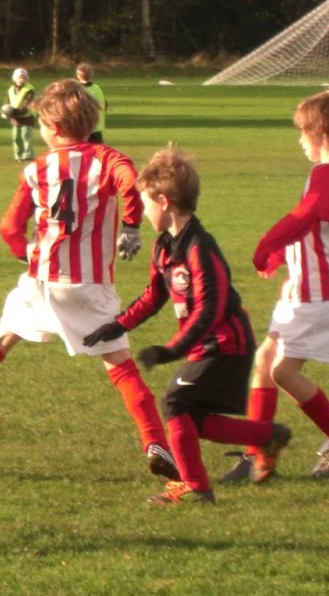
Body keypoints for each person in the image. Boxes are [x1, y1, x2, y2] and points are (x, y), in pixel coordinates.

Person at [0, 78, 178, 486]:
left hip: (40, 280)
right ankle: (154, 442)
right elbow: (127, 176)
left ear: (53, 129)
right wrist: (131, 226)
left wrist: (28, 252)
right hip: (88, 285)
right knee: (121, 368)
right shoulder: (105, 159)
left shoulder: (37, 169)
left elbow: (10, 228)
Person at [83, 146, 293, 506]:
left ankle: (195, 486)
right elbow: (153, 296)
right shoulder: (164, 247)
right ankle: (268, 435)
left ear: (164, 201)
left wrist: (171, 350)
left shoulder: (200, 248)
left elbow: (210, 309)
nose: (143, 210)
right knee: (192, 419)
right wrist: (116, 326)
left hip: (227, 343)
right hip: (206, 343)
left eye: (146, 202)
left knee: (175, 403)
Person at [219, 88, 329, 484]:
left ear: (320, 132)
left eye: (303, 131)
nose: (299, 139)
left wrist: (270, 242)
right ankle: (257, 451)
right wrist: (283, 255)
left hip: (324, 293)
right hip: (304, 287)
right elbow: (319, 227)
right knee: (265, 361)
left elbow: (311, 213)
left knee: (283, 372)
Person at [0, 67, 38, 161]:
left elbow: (26, 104)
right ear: (15, 78)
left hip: (27, 117)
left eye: (24, 77)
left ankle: (28, 155)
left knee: (26, 136)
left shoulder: (29, 89)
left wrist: (13, 112)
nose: (22, 79)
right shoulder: (11, 90)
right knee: (16, 137)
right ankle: (18, 155)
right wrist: (4, 112)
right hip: (15, 118)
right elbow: (7, 102)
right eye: (20, 77)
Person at [75, 62, 107, 143]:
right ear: (91, 74)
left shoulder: (78, 90)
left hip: (83, 129)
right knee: (98, 153)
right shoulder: (97, 88)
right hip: (97, 127)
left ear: (78, 75)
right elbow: (104, 104)